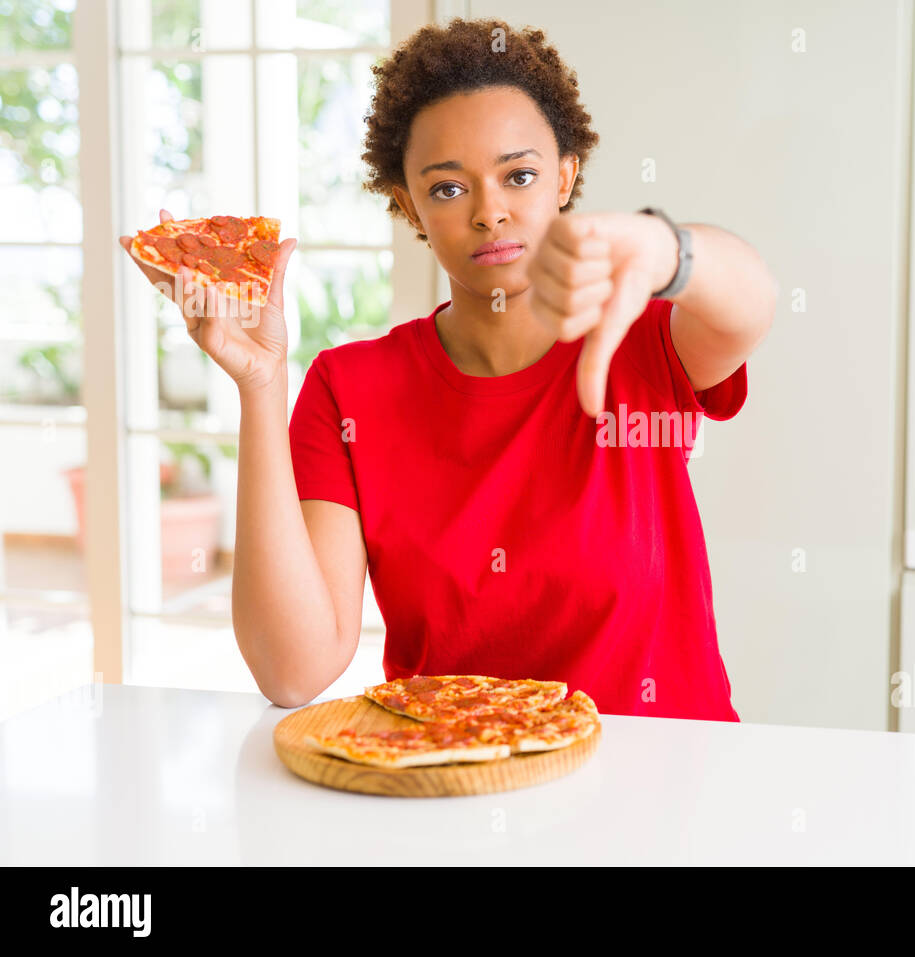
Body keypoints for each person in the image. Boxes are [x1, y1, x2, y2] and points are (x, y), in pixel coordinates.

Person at [120, 18, 775, 721]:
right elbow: (292, 669)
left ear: (565, 176)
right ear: (408, 206)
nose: (491, 213)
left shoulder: (640, 341)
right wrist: (260, 385)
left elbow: (748, 305)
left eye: (519, 175)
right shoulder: (349, 388)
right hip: (449, 786)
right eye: (447, 189)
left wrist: (667, 248)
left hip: (665, 789)